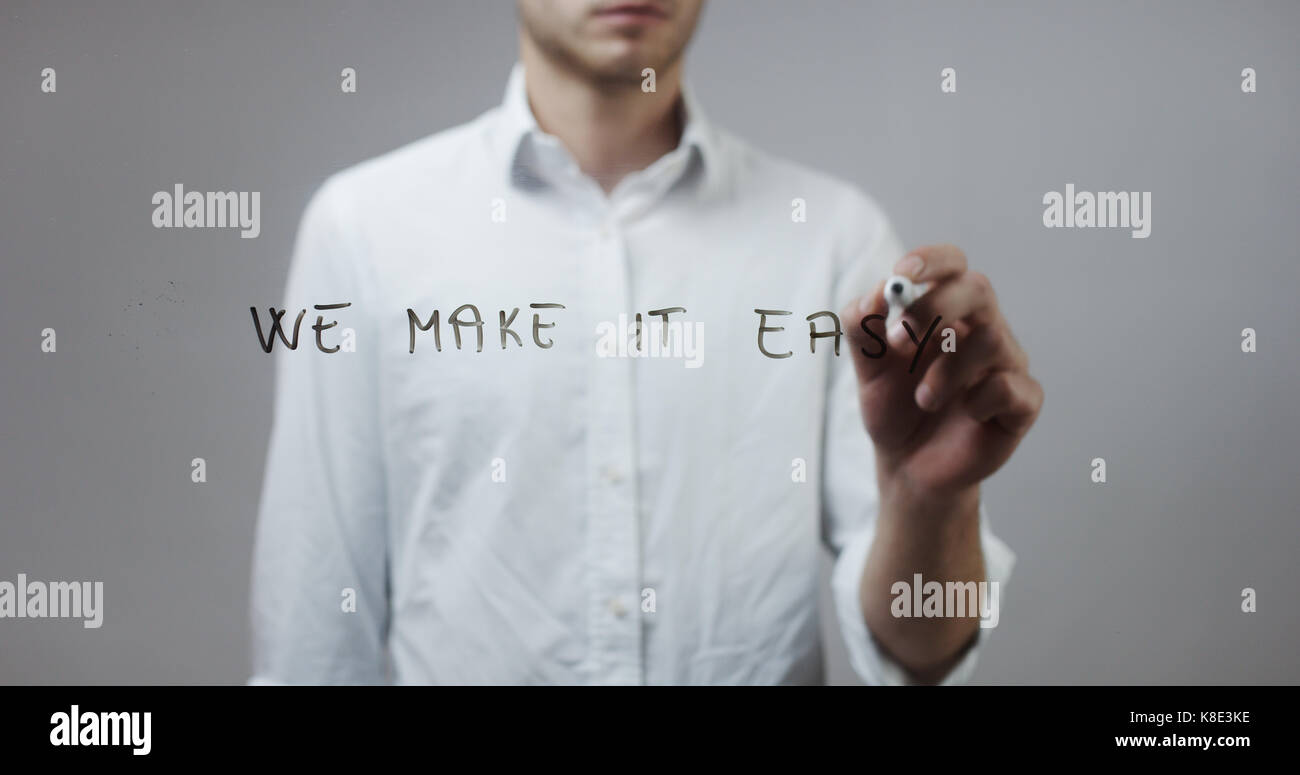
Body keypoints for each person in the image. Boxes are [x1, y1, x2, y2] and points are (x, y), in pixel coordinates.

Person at [250, 0, 1042, 685]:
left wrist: (928, 502)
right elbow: (314, 647)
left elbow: (919, 651)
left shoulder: (835, 241)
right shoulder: (363, 233)